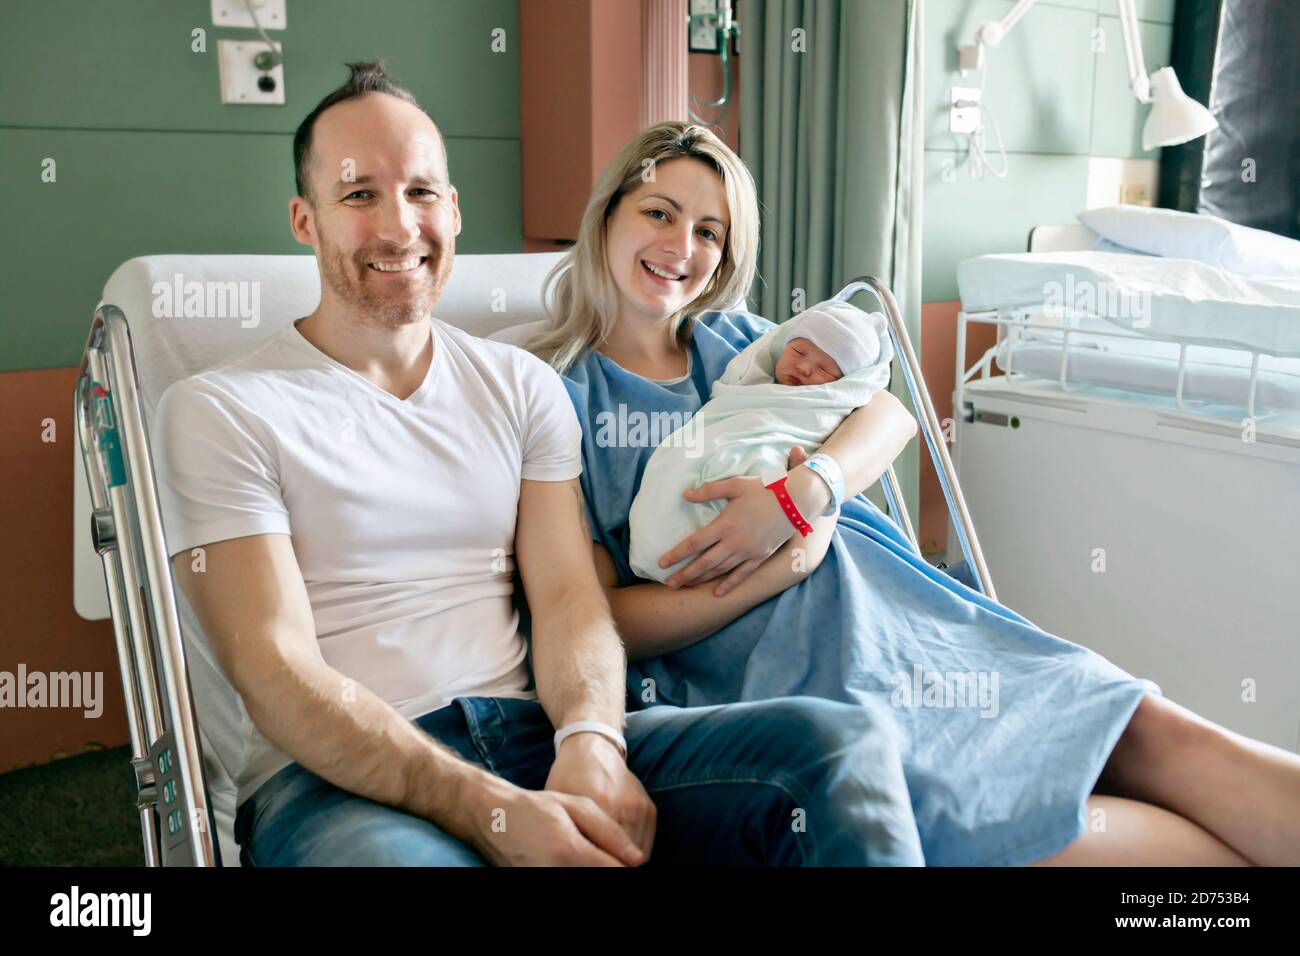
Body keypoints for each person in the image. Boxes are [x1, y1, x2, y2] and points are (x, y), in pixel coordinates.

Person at [151, 61, 927, 866]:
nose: (396, 226)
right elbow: (272, 668)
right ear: (305, 220)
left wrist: (592, 738)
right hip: (338, 782)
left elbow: (567, 598)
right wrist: (489, 809)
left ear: (452, 210)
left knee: (839, 746)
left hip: (534, 736)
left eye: (420, 192)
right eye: (357, 194)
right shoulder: (223, 409)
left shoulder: (521, 385)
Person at [526, 120, 1300, 866]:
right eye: (659, 212)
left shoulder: (747, 344)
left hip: (902, 607)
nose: (680, 246)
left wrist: (805, 493)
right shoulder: (558, 396)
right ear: (607, 218)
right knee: (1023, 822)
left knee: (1140, 725)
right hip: (781, 668)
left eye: (708, 231)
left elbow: (889, 413)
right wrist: (781, 562)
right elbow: (597, 618)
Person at [627, 299, 892, 584]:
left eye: (826, 370)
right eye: (799, 351)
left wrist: (807, 491)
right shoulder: (753, 370)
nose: (804, 367)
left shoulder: (822, 405)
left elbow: (895, 417)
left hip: (807, 514)